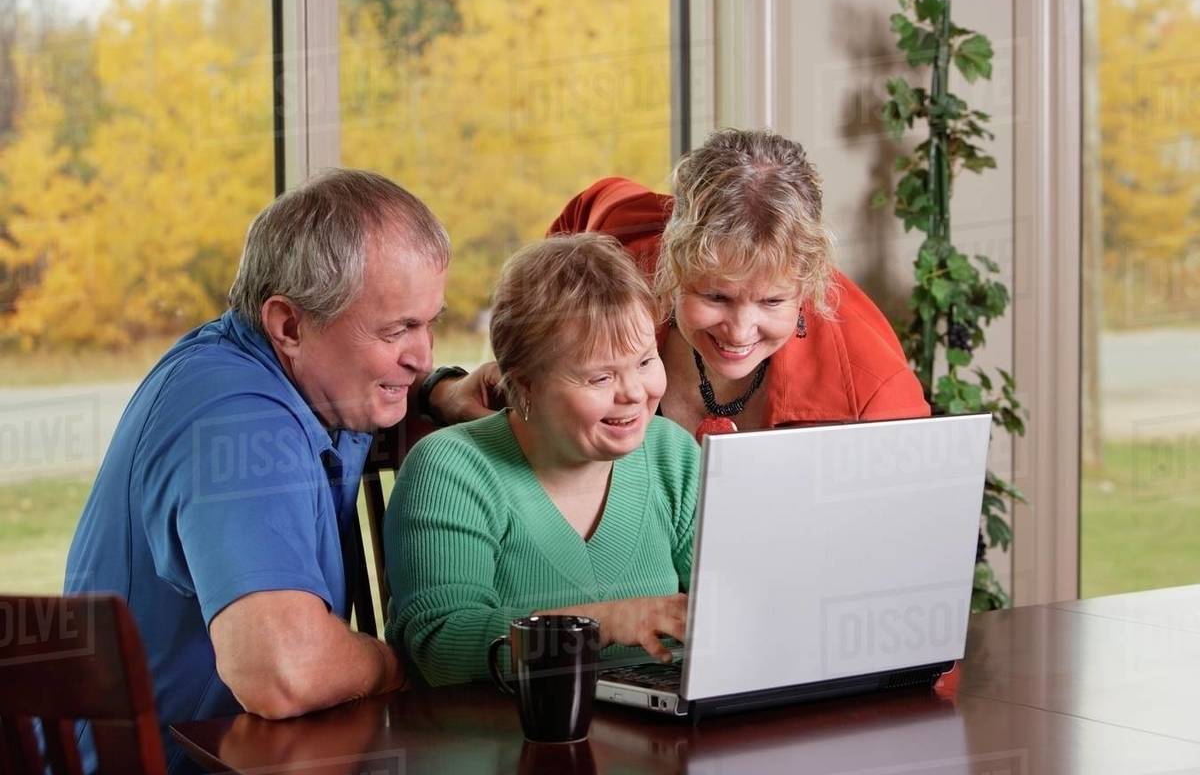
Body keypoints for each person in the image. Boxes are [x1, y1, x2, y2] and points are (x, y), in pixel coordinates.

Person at [64, 169, 447, 771]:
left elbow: (389, 395)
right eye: (397, 329)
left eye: (429, 323)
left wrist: (439, 393)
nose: (420, 354)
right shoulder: (235, 415)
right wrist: (400, 664)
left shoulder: (295, 379)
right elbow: (283, 673)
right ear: (289, 324)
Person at [430, 128, 928, 437]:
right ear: (671, 261)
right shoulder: (622, 247)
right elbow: (568, 241)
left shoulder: (874, 388)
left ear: (809, 283)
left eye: (773, 300)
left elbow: (904, 534)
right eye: (716, 295)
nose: (739, 330)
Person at [385, 234, 699, 686]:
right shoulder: (451, 469)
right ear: (525, 385)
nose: (634, 392)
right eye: (600, 375)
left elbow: (735, 604)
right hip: (501, 742)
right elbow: (440, 648)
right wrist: (602, 625)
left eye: (645, 361)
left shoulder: (673, 453)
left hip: (664, 739)